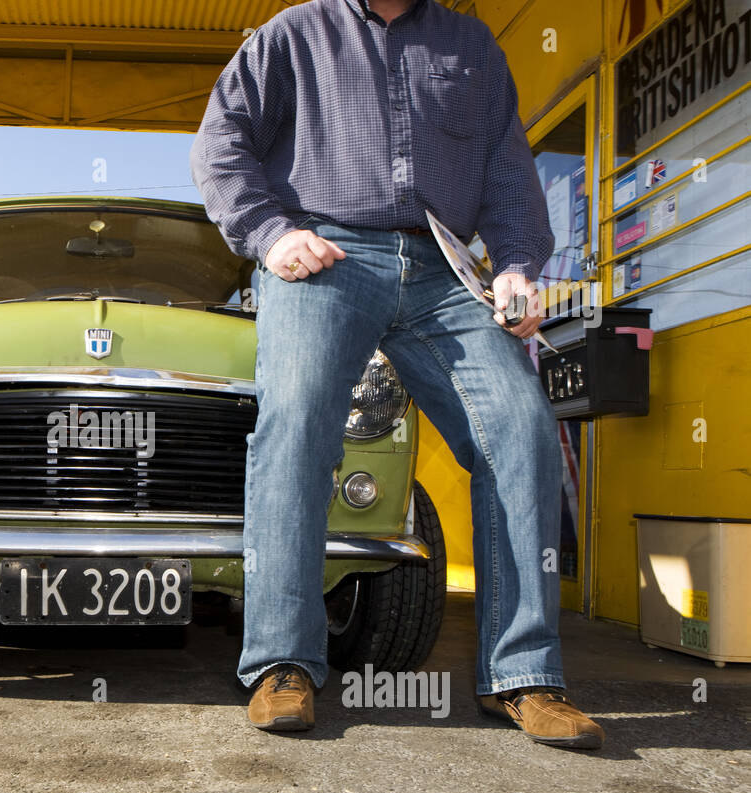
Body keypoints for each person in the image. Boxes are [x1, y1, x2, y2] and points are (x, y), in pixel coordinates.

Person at [189, 0, 604, 749]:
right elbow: (223, 142)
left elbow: (507, 168)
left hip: (445, 266)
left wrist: (515, 265)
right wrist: (271, 232)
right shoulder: (292, 34)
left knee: (521, 431)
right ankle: (282, 663)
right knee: (299, 423)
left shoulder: (471, 44)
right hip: (327, 254)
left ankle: (524, 675)